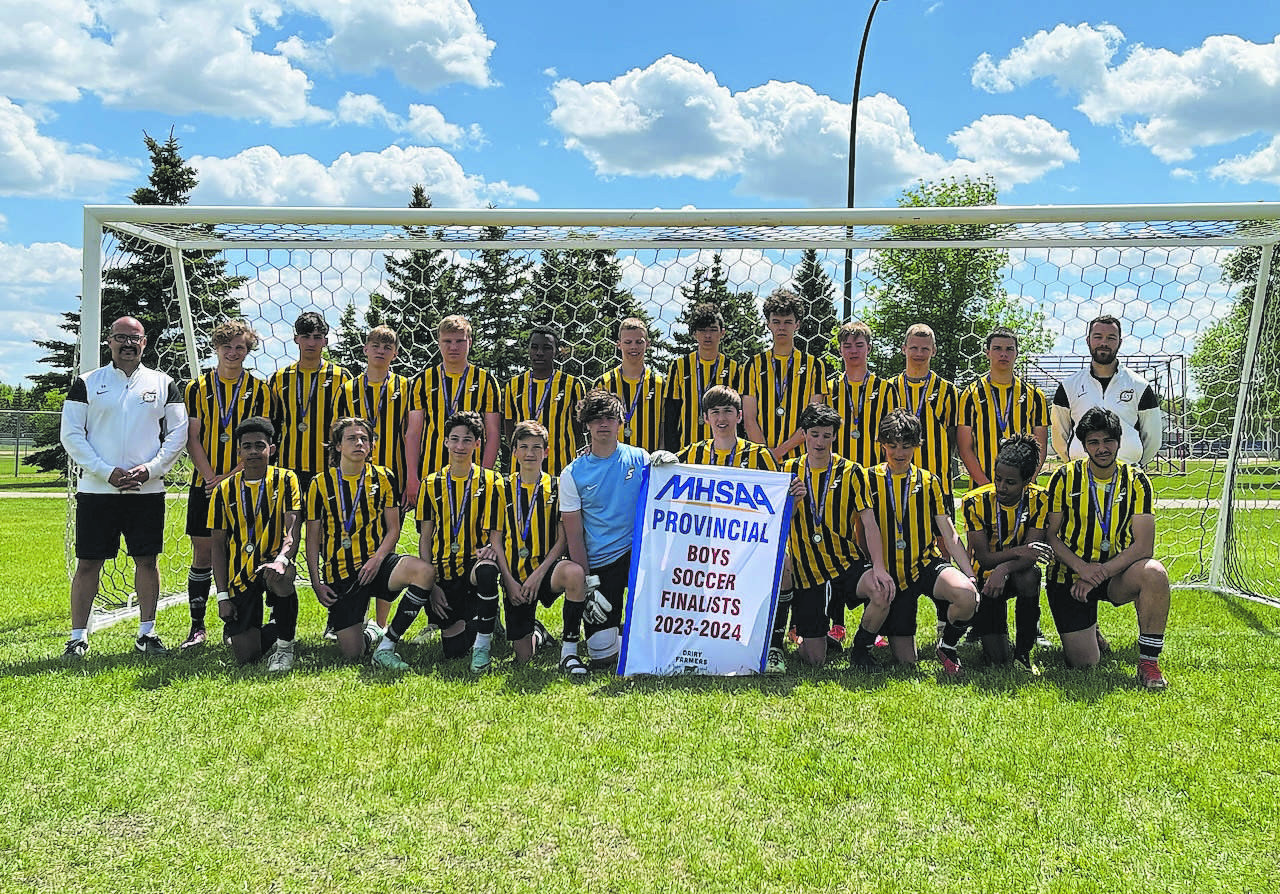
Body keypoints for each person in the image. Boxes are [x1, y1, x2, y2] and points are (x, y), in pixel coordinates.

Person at [60, 315, 189, 659]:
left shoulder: (163, 383)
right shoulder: (86, 383)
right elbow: (71, 434)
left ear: (145, 343)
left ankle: (147, 634)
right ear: (109, 342)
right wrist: (106, 472)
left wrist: (151, 469)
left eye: (135, 339)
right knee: (89, 563)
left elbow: (178, 433)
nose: (128, 344)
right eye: (121, 338)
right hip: (97, 491)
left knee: (146, 560)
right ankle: (77, 638)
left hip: (146, 492)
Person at [679, 385, 802, 674]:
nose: (722, 418)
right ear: (706, 418)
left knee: (783, 565)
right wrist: (660, 461)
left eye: (728, 412)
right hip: (704, 544)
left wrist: (794, 496)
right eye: (715, 412)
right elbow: (664, 481)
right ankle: (694, 641)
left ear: (739, 416)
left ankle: (773, 646)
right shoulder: (690, 454)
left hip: (749, 546)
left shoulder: (761, 457)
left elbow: (783, 510)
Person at [1044, 407, 1170, 690]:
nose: (1102, 448)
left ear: (1119, 440)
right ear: (1084, 445)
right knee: (1085, 663)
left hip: (1115, 574)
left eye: (1108, 441)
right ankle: (1091, 632)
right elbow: (1050, 536)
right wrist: (1082, 570)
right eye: (1093, 442)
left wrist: (1098, 574)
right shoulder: (1063, 478)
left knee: (1155, 573)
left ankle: (1149, 662)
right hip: (1070, 575)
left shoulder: (1137, 481)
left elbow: (1144, 546)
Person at [373, 411, 504, 673]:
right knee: (453, 650)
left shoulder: (492, 481)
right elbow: (425, 537)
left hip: (472, 569)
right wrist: (431, 585)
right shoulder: (431, 483)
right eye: (454, 439)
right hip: (442, 574)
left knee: (488, 570)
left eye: (467, 440)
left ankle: (482, 647)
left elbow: (495, 536)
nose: (459, 446)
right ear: (445, 442)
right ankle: (387, 647)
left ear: (478, 444)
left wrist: (490, 551)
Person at [305, 417, 433, 661]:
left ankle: (389, 641)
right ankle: (371, 633)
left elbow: (394, 529)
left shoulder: (383, 476)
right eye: (352, 438)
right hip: (340, 572)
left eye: (365, 438)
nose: (359, 443)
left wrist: (377, 559)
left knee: (424, 571)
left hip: (376, 564)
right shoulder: (319, 484)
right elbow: (312, 539)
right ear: (338, 446)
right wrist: (316, 582)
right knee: (353, 653)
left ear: (372, 445)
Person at [864, 409, 980, 675]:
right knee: (906, 660)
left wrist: (969, 572)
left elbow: (948, 532)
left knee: (967, 595)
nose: (899, 453)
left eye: (906, 446)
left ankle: (948, 645)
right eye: (892, 446)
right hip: (889, 573)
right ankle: (877, 633)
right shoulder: (868, 478)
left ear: (917, 446)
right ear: (882, 445)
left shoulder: (929, 481)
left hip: (923, 565)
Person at [180, 318, 272, 650]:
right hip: (204, 484)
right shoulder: (196, 388)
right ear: (215, 347)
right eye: (227, 346)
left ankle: (234, 623)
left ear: (249, 351)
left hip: (245, 483)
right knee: (203, 552)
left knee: (238, 552)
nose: (233, 353)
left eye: (241, 347)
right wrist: (209, 477)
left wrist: (229, 477)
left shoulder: (260, 390)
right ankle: (197, 626)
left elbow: (259, 440)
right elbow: (192, 436)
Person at [781, 405, 894, 670]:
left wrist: (878, 567)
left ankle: (861, 648)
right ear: (804, 434)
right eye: (814, 434)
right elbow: (776, 526)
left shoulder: (852, 471)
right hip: (807, 570)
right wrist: (793, 503)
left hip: (845, 563)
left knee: (882, 591)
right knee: (814, 660)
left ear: (835, 436)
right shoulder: (787, 470)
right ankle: (813, 636)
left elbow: (869, 523)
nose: (820, 441)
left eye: (826, 435)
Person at [560, 389, 660, 669]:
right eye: (596, 418)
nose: (603, 423)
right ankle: (621, 631)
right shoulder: (572, 474)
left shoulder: (641, 458)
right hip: (603, 562)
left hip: (640, 556)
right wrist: (588, 585)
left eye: (610, 417)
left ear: (621, 422)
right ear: (587, 424)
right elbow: (574, 534)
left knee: (657, 633)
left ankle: (635, 629)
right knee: (603, 657)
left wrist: (666, 469)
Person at [334, 324, 423, 631]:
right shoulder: (347, 389)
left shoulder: (406, 386)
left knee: (387, 541)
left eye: (387, 347)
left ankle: (381, 622)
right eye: (376, 345)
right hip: (354, 478)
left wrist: (411, 477)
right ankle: (342, 617)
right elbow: (338, 434)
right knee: (351, 541)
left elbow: (412, 432)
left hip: (392, 478)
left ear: (395, 353)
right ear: (365, 350)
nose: (381, 351)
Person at [485, 421, 589, 675]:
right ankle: (539, 634)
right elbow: (495, 538)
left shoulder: (557, 485)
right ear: (515, 452)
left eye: (536, 447)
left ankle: (570, 647)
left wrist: (538, 574)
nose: (530, 453)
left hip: (546, 571)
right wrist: (508, 582)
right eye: (524, 447)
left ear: (546, 451)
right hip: (515, 577)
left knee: (574, 573)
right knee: (524, 657)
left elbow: (562, 539)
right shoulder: (500, 487)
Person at [208, 417, 303, 671]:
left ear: (271, 449)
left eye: (259, 445)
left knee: (279, 578)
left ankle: (285, 647)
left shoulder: (286, 480)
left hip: (273, 562)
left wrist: (282, 561)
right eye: (247, 446)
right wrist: (222, 596)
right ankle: (275, 625)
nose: (253, 451)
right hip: (240, 574)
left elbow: (292, 529)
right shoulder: (223, 490)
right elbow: (217, 546)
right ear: (238, 451)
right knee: (246, 656)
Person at [825, 319, 898, 643]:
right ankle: (836, 623)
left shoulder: (886, 389)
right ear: (839, 349)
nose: (853, 351)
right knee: (838, 546)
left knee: (873, 546)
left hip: (872, 478)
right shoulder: (828, 388)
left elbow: (893, 433)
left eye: (859, 345)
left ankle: (879, 623)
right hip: (837, 477)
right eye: (847, 345)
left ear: (869, 348)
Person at [960, 434, 1052, 673]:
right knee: (997, 661)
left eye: (1010, 482)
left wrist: (1004, 568)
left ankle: (1024, 652)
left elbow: (1033, 555)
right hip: (986, 580)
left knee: (1030, 575)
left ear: (1027, 481)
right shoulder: (975, 501)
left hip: (1016, 572)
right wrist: (1014, 556)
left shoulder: (1040, 499)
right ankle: (981, 625)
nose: (1001, 486)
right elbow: (983, 558)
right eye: (998, 478)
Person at [1051, 315, 1163, 468]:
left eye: (1111, 338)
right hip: (1081, 475)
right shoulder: (1069, 386)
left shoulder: (1139, 385)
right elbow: (1059, 435)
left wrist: (1136, 465)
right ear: (1088, 340)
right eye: (1098, 337)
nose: (1104, 343)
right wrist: (1074, 464)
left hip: (1127, 473)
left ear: (1120, 342)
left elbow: (1153, 437)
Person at [268, 311, 352, 497]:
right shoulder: (280, 378)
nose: (311, 343)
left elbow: (349, 425)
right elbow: (272, 424)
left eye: (317, 337)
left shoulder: (341, 376)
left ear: (325, 341)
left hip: (328, 465)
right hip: (288, 466)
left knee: (323, 523)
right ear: (296, 339)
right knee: (290, 522)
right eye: (306, 337)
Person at [742, 288, 830, 463]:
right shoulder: (752, 365)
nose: (782, 327)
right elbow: (749, 418)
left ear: (797, 324)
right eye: (776, 321)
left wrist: (778, 452)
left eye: (788, 322)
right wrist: (765, 455)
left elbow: (813, 419)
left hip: (802, 460)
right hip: (761, 460)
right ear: (768, 324)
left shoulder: (814, 365)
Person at [411, 314, 502, 478]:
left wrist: (484, 475)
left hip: (473, 475)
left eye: (460, 341)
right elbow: (413, 433)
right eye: (447, 341)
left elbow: (493, 433)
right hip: (430, 472)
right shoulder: (422, 381)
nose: (453, 347)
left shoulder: (486, 381)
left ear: (470, 343)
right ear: (439, 343)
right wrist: (412, 477)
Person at [957, 327, 1048, 488]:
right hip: (983, 487)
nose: (1003, 354)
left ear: (1016, 353)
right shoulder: (970, 394)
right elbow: (965, 448)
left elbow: (1040, 446)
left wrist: (1027, 482)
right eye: (997, 348)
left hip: (1023, 488)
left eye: (1009, 349)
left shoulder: (1034, 395)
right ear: (987, 353)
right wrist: (986, 485)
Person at [889, 323, 960, 510]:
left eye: (925, 348)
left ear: (934, 351)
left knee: (943, 537)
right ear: (904, 349)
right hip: (896, 481)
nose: (919, 353)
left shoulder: (948, 390)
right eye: (913, 348)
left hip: (939, 482)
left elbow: (953, 436)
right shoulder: (888, 388)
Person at [502, 325, 585, 477]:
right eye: (534, 347)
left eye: (546, 348)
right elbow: (509, 426)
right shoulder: (513, 386)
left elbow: (579, 426)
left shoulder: (572, 385)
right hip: (522, 470)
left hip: (561, 468)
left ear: (557, 351)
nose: (539, 353)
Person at [663, 303, 744, 452]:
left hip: (725, 452)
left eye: (713, 330)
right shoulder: (679, 366)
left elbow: (740, 415)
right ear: (694, 333)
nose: (708, 335)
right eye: (702, 330)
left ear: (722, 332)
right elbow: (670, 416)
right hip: (686, 450)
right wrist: (672, 451)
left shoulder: (733, 368)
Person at [595, 317, 665, 454]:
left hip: (649, 463)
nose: (634, 347)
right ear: (619, 345)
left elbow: (664, 427)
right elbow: (596, 425)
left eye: (639, 342)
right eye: (628, 342)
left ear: (648, 344)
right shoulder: (604, 383)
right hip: (614, 463)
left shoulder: (660, 384)